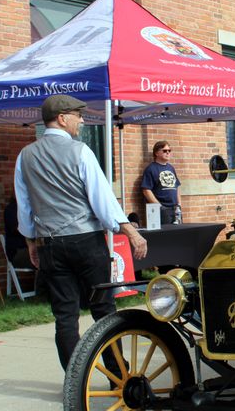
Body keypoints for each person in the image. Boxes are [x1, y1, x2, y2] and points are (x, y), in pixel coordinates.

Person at [14, 94, 148, 370]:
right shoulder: (80, 151)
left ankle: (75, 381)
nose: (82, 121)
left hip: (49, 243)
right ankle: (118, 376)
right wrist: (129, 231)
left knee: (65, 315)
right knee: (104, 310)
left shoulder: (25, 156)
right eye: (78, 115)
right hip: (85, 240)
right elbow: (103, 200)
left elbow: (24, 204)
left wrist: (30, 241)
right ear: (62, 119)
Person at [141, 141, 181, 225]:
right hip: (161, 209)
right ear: (156, 153)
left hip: (175, 209)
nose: (168, 153)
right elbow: (146, 190)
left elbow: (176, 186)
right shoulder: (151, 169)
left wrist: (179, 205)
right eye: (164, 150)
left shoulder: (171, 168)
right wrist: (159, 207)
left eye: (169, 151)